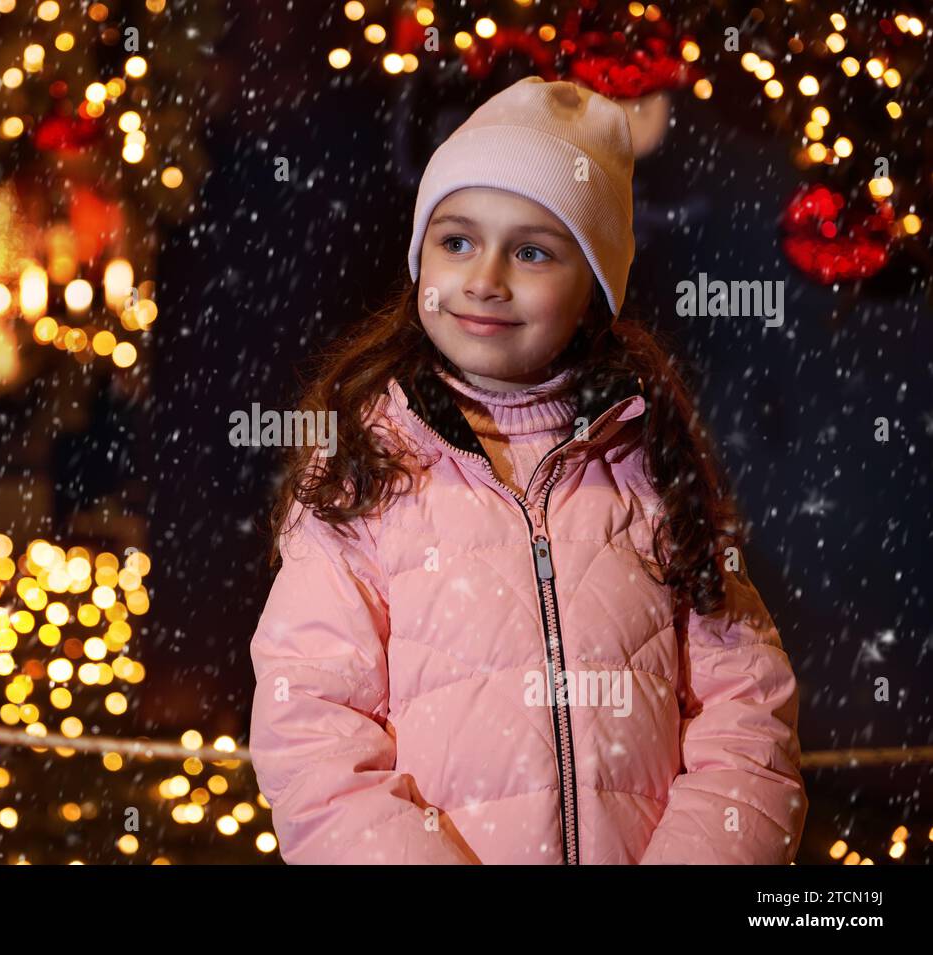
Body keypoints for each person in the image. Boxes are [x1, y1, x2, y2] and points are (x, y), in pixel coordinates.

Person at [247, 76, 807, 864]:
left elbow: (747, 717)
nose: (485, 278)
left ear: (593, 289)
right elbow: (311, 726)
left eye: (534, 250)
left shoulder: (651, 462)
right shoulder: (363, 470)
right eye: (458, 240)